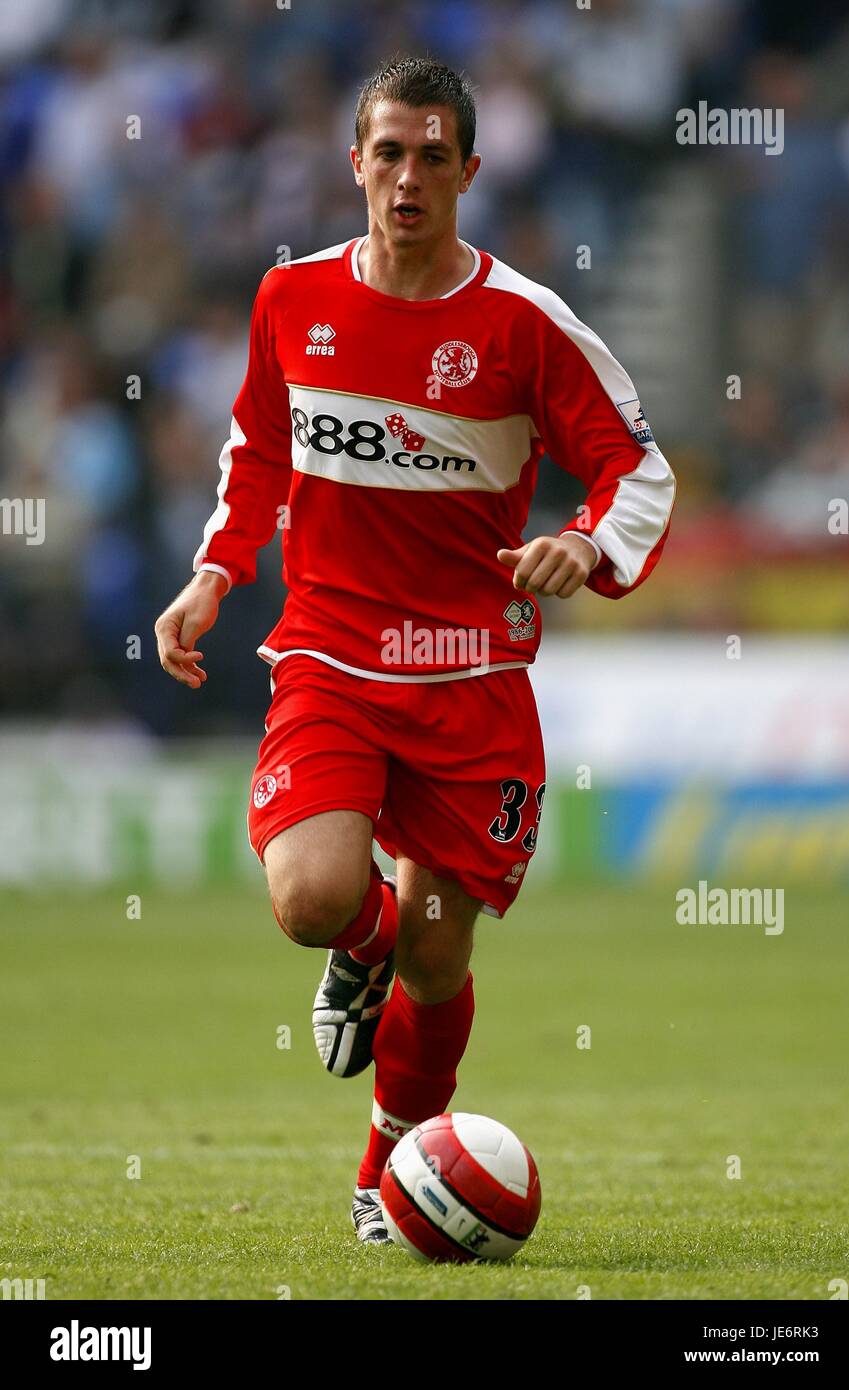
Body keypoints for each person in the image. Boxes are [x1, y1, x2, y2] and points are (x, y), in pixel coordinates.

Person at [154, 57, 676, 1245]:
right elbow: (259, 452)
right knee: (311, 898)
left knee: (440, 964)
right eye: (387, 153)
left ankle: (386, 1172)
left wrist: (585, 547)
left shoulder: (525, 325)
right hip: (332, 654)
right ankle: (361, 947)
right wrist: (215, 571)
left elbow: (638, 470)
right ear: (354, 164)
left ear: (468, 173)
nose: (406, 177)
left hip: (469, 673)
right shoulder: (290, 298)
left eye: (432, 156)